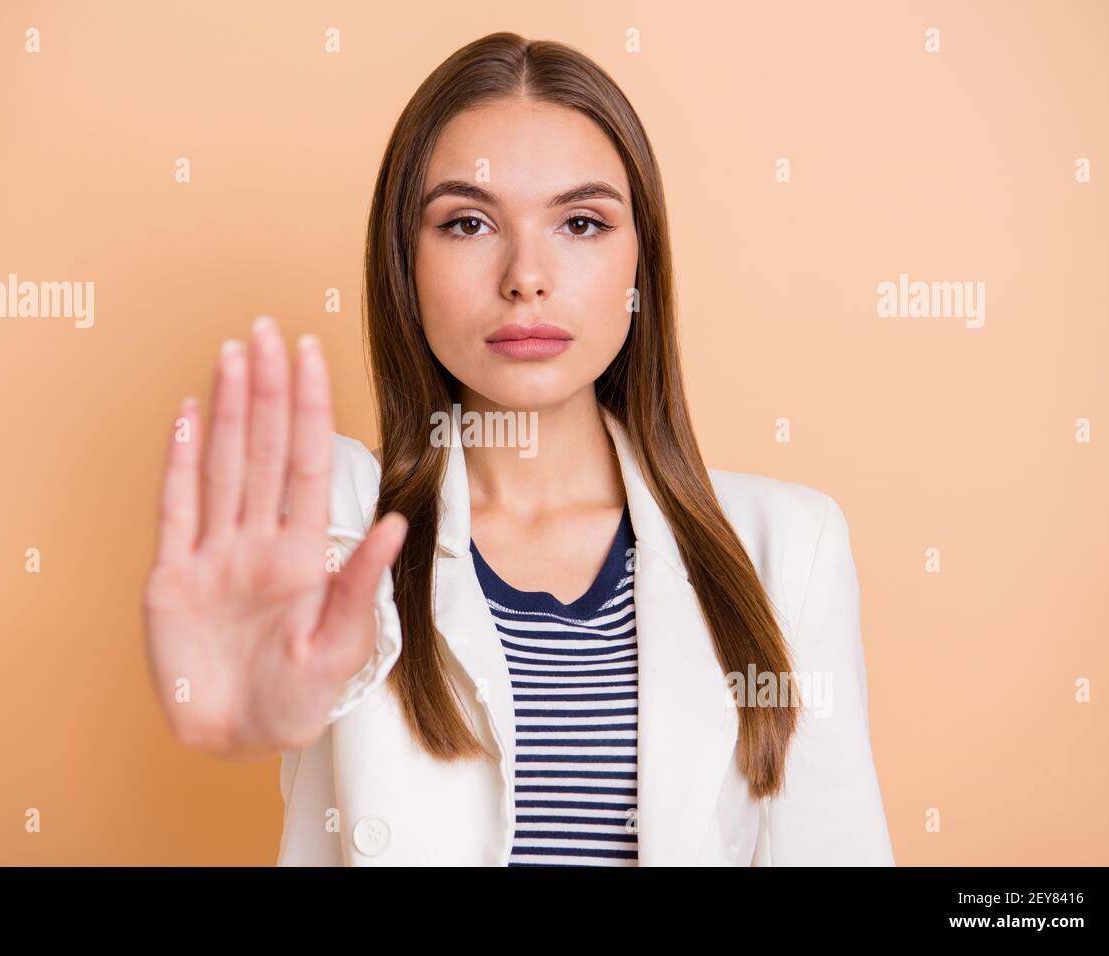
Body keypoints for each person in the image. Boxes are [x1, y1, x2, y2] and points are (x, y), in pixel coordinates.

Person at [142, 32, 894, 866]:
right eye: (468, 223)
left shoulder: (789, 549)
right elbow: (278, 664)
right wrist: (256, 684)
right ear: (404, 265)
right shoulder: (340, 519)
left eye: (581, 223)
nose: (525, 276)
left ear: (641, 264)